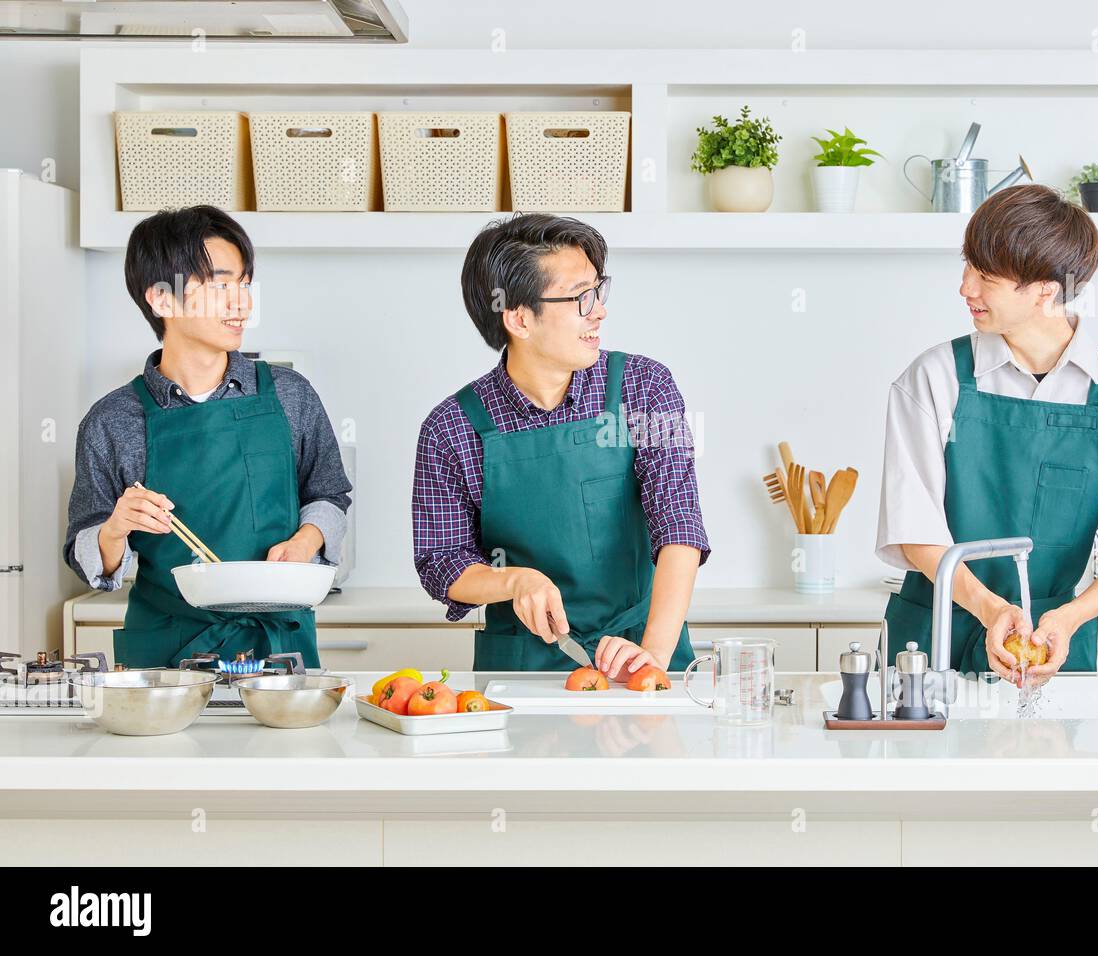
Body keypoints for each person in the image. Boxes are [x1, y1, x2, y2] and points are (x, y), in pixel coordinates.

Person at [876, 184, 1098, 685]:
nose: (965, 288)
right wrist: (991, 608)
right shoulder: (933, 378)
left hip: (1051, 643)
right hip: (932, 639)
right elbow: (915, 531)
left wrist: (1069, 617)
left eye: (985, 275)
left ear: (1046, 289)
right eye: (967, 265)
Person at [413, 213, 709, 677]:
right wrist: (515, 579)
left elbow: (679, 525)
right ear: (519, 318)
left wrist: (652, 655)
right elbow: (443, 562)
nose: (600, 311)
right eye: (580, 298)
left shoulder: (646, 387)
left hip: (641, 649)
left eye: (598, 290)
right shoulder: (451, 428)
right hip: (522, 667)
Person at [64, 206, 352, 668]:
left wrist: (305, 542)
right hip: (168, 654)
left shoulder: (289, 395)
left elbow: (329, 494)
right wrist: (117, 526)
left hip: (279, 650)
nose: (242, 304)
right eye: (220, 286)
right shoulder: (111, 420)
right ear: (161, 299)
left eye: (243, 285)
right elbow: (88, 558)